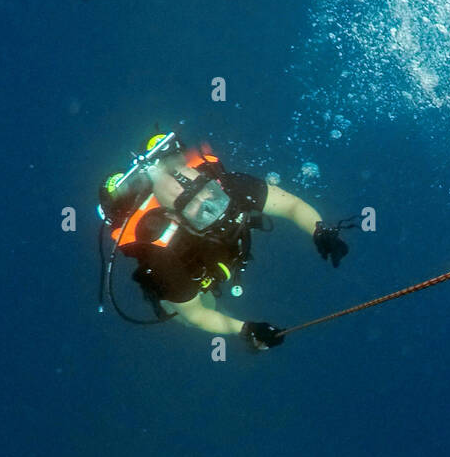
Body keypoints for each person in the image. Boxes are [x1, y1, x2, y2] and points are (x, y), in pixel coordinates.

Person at [98, 133, 353, 349]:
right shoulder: (162, 256)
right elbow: (197, 315)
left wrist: (320, 231)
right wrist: (245, 328)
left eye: (209, 193)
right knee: (195, 306)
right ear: (174, 217)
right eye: (192, 207)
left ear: (211, 181)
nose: (210, 208)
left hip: (219, 255)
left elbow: (291, 206)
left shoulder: (232, 185)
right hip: (187, 276)